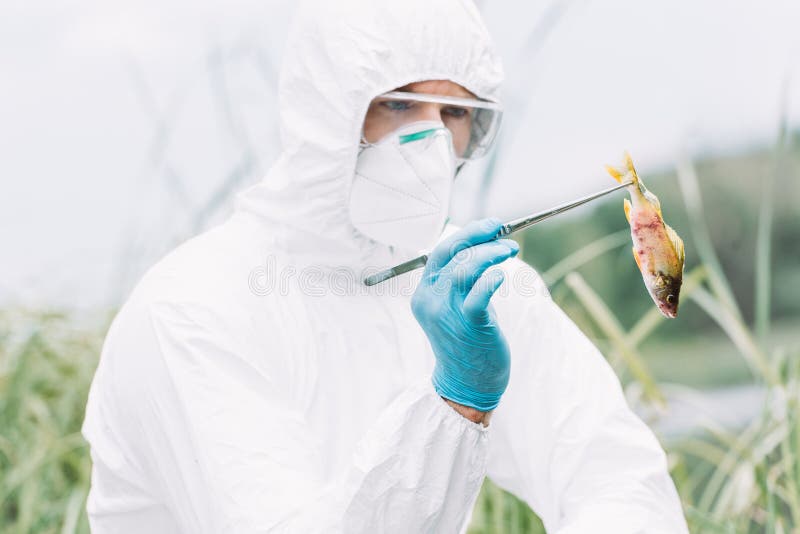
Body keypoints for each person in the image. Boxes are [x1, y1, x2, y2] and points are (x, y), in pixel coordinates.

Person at [82, 0, 689, 532]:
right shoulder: (192, 309)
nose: (431, 145)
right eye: (399, 104)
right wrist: (454, 405)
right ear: (325, 111)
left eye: (454, 114)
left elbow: (614, 475)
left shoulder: (475, 288)